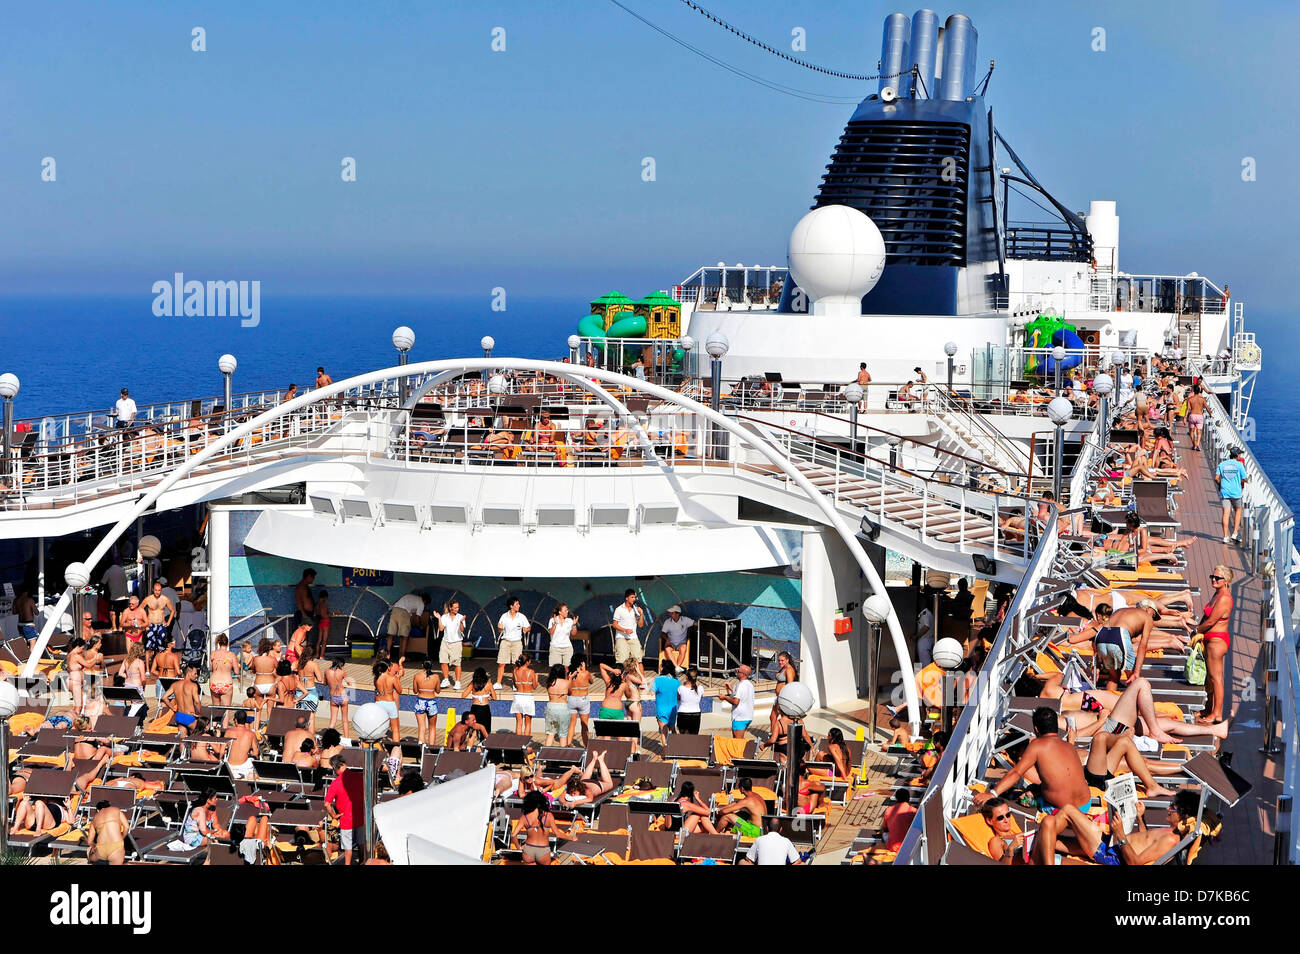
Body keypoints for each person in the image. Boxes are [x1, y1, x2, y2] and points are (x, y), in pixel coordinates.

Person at [1033, 790, 1199, 866]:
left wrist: (1121, 835)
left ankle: (1039, 854)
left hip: (1110, 853)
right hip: (1113, 846)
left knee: (1067, 811)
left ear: (1183, 815)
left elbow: (1135, 863)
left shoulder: (1171, 839)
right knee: (1051, 841)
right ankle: (1032, 844)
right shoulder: (1171, 832)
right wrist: (1140, 818)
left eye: (1173, 807)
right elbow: (1145, 843)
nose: (1168, 808)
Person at [975, 707, 1091, 815]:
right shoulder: (1069, 746)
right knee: (1037, 787)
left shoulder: (1037, 745)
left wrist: (992, 794)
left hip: (1062, 810)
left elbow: (1016, 772)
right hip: (1085, 805)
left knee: (1023, 799)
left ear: (1036, 729)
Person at [1195, 565, 1234, 724]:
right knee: (1209, 678)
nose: (1213, 579)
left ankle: (1217, 713)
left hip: (1217, 641)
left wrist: (1196, 630)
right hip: (1210, 639)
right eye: (1213, 576)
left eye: (1218, 578)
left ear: (1226, 581)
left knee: (1216, 678)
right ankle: (1207, 709)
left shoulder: (1224, 598)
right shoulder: (1217, 594)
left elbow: (1212, 621)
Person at [513, 789, 575, 864]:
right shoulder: (548, 816)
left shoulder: (525, 817)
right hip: (543, 850)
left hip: (529, 849)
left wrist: (518, 847)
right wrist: (571, 838)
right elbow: (558, 834)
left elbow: (513, 835)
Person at [325, 754, 364, 864]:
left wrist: (334, 815)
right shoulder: (359, 776)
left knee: (348, 849)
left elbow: (327, 804)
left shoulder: (336, 783)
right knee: (361, 844)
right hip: (360, 815)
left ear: (334, 767)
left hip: (346, 818)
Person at [495, 595, 531, 690]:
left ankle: (515, 684)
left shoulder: (521, 616)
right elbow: (500, 629)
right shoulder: (504, 616)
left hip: (517, 642)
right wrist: (499, 627)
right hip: (505, 642)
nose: (519, 606)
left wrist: (525, 630)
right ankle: (498, 683)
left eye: (519, 604)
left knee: (516, 664)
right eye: (517, 604)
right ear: (511, 606)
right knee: (501, 663)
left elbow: (528, 627)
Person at [1215, 446, 1249, 543]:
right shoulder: (1239, 465)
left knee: (1226, 513)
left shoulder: (1222, 464)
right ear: (1237, 455)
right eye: (1240, 454)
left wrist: (1220, 485)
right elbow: (1245, 478)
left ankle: (1225, 536)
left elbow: (1216, 478)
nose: (1240, 455)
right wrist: (1245, 480)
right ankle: (1234, 533)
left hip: (1225, 492)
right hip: (1236, 493)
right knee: (1238, 511)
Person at [979, 797, 1023, 864]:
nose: (1006, 820)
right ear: (989, 821)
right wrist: (1010, 849)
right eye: (1000, 818)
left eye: (1008, 815)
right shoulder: (996, 841)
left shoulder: (1019, 834)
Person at [87, 799, 130, 865]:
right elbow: (126, 826)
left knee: (92, 856)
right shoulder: (116, 810)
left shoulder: (94, 818)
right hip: (116, 846)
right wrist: (122, 837)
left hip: (101, 848)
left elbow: (90, 841)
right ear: (109, 806)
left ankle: (90, 857)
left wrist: (93, 847)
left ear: (98, 810)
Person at [141, 580, 174, 663]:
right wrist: (144, 623)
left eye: (159, 590)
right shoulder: (148, 599)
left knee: (160, 646)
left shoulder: (165, 599)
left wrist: (169, 621)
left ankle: (158, 663)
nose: (157, 592)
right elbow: (140, 610)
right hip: (151, 625)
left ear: (161, 590)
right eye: (156, 590)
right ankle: (148, 668)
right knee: (148, 647)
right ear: (153, 590)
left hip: (161, 625)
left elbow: (172, 610)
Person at [719, 664, 755, 738]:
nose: (737, 672)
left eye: (738, 671)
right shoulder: (750, 685)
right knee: (739, 741)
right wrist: (731, 689)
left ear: (743, 674)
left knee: (737, 742)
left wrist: (724, 697)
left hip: (739, 717)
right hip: (747, 716)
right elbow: (741, 696)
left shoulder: (741, 685)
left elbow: (736, 702)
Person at [438, 598, 466, 689]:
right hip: (445, 641)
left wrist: (461, 622)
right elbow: (441, 629)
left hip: (456, 642)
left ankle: (457, 682)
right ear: (450, 608)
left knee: (457, 663)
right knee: (443, 661)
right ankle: (446, 679)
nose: (457, 609)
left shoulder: (460, 617)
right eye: (455, 607)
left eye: (458, 607)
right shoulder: (444, 617)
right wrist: (439, 618)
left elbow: (462, 630)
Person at [611, 589, 645, 666]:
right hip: (621, 637)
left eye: (635, 597)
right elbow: (615, 624)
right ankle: (623, 677)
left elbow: (640, 625)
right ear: (627, 598)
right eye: (632, 597)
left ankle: (642, 678)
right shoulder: (619, 609)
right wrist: (625, 630)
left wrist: (641, 614)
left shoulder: (636, 610)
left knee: (638, 660)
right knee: (622, 660)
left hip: (633, 637)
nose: (634, 599)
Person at [375, 656, 405, 741]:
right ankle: (396, 748)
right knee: (395, 729)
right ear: (388, 667)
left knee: (378, 727)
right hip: (389, 702)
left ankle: (379, 748)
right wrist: (397, 679)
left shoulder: (376, 678)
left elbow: (377, 689)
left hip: (379, 703)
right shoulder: (392, 678)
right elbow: (399, 691)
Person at [412, 659, 441, 745]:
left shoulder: (417, 676)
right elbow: (438, 691)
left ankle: (422, 750)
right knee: (432, 728)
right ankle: (431, 749)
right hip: (431, 701)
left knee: (421, 727)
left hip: (421, 701)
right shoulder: (436, 677)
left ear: (422, 666)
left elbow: (415, 691)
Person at [566, 656, 593, 746]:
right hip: (583, 699)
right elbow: (591, 681)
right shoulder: (586, 673)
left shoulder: (569, 673)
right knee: (584, 724)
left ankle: (569, 743)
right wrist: (584, 669)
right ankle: (586, 745)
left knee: (572, 724)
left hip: (571, 699)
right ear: (582, 663)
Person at [658, 604, 694, 672]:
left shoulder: (685, 620)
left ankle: (677, 667)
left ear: (678, 614)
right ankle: (677, 667)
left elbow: (695, 623)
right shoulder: (667, 621)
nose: (670, 614)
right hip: (671, 643)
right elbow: (662, 633)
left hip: (681, 643)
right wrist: (667, 639)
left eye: (672, 613)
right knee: (667, 649)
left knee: (683, 649)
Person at [652, 659, 680, 744]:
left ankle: (665, 753)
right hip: (673, 709)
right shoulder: (677, 681)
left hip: (662, 709)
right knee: (673, 729)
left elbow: (652, 692)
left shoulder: (658, 680)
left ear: (663, 668)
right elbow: (679, 696)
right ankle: (677, 749)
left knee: (664, 733)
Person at [325, 658, 354, 737]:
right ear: (341, 665)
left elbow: (325, 683)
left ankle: (328, 738)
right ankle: (347, 739)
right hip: (343, 695)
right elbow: (349, 683)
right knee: (345, 720)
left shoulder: (327, 671)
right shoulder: (342, 672)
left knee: (333, 720)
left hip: (333, 696)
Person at [542, 664, 570, 746]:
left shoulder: (549, 682)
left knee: (550, 733)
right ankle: (562, 756)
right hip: (562, 708)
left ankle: (546, 755)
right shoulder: (567, 682)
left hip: (551, 707)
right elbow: (571, 692)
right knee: (563, 735)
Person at [224, 714, 259, 780]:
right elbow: (256, 753)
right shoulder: (251, 733)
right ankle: (248, 775)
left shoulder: (228, 732)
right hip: (244, 766)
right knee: (254, 765)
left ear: (236, 720)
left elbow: (221, 751)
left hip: (230, 766)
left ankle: (236, 774)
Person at [462, 668, 496, 733]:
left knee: (472, 729)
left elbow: (463, 696)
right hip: (485, 708)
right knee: (486, 728)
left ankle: (470, 743)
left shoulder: (472, 684)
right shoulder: (489, 684)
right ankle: (484, 742)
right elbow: (495, 697)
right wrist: (490, 697)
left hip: (475, 708)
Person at [511, 654, 538, 735]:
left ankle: (518, 744)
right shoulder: (531, 672)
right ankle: (526, 746)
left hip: (518, 697)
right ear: (527, 662)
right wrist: (536, 677)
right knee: (528, 723)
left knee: (519, 723)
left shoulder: (515, 671)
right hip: (528, 697)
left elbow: (515, 685)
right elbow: (535, 686)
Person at [209, 633, 237, 708]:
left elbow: (211, 669)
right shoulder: (231, 655)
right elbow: (237, 671)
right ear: (228, 643)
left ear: (219, 643)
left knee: (215, 709)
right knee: (226, 710)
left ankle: (215, 720)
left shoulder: (213, 654)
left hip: (214, 683)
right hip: (226, 684)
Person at [101, 558, 129, 631]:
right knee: (121, 612)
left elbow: (103, 583)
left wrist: (99, 591)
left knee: (113, 612)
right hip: (125, 595)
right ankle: (120, 627)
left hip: (115, 596)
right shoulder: (122, 570)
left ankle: (114, 627)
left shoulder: (108, 571)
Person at [547, 602, 577, 669]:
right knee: (556, 669)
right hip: (555, 647)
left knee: (568, 668)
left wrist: (574, 625)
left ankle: (567, 679)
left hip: (567, 648)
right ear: (560, 612)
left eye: (567, 610)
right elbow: (551, 632)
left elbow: (574, 634)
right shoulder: (552, 620)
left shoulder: (569, 621)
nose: (567, 612)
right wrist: (555, 624)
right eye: (565, 610)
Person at [676, 667, 703, 734]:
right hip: (696, 713)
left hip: (683, 713)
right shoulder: (700, 688)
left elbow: (678, 698)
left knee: (683, 738)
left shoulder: (681, 688)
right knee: (694, 737)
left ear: (686, 678)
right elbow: (700, 697)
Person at [1185, 385, 1207, 450]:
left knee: (1191, 431)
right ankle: (1197, 444)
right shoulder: (1202, 399)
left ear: (1193, 390)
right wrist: (1210, 414)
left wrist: (1184, 417)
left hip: (1192, 415)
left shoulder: (1190, 399)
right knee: (1199, 432)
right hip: (1199, 415)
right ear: (1199, 391)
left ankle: (1194, 445)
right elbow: (1206, 407)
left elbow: (1188, 408)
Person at [313, 589, 332, 656]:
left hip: (320, 622)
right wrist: (334, 613)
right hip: (325, 622)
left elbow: (319, 614)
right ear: (325, 597)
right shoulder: (323, 605)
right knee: (324, 641)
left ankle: (317, 654)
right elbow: (324, 615)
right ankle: (322, 655)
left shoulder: (317, 604)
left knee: (319, 640)